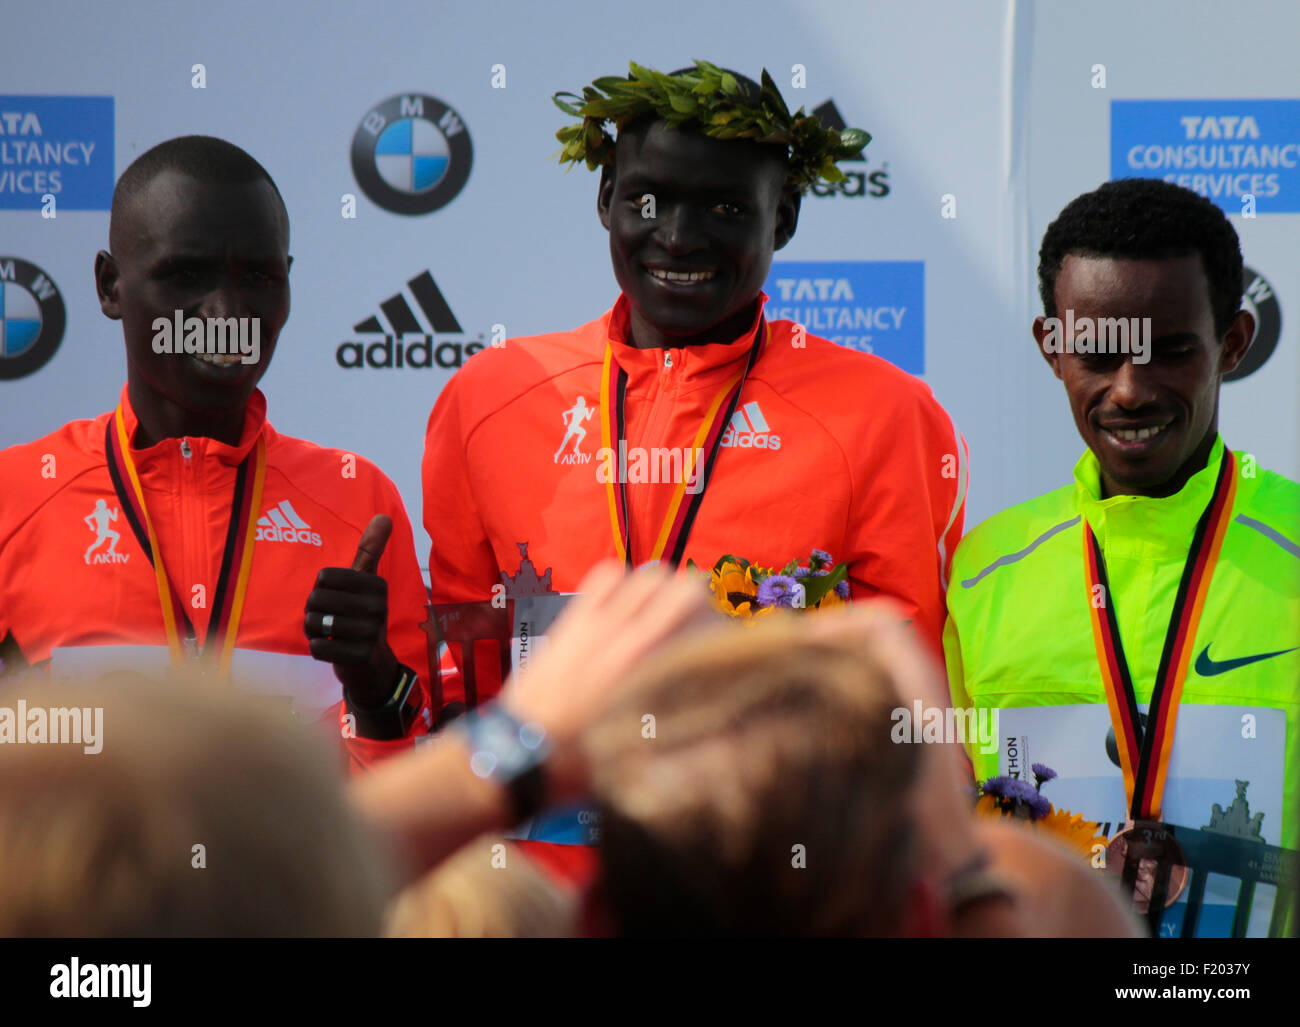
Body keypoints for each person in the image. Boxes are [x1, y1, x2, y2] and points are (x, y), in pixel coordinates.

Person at [420, 60, 968, 723]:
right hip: (544, 826)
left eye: (726, 208)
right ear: (606, 198)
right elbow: (463, 679)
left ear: (783, 220)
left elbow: (911, 697)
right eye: (648, 200)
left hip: (772, 826)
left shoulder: (882, 412)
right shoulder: (492, 397)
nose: (678, 238)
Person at [0, 135, 431, 771]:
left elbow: (414, 795)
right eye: (186, 275)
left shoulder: (357, 502)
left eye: (258, 275)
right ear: (110, 285)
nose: (227, 313)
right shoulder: (17, 498)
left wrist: (373, 688)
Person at [944, 180, 1300, 885]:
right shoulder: (985, 567)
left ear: (1232, 343)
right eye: (1099, 354)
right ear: (1052, 348)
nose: (1130, 388)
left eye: (1169, 351)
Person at [578, 607, 1138, 937]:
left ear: (592, 917)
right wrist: (963, 865)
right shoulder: (1028, 883)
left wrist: (518, 748)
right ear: (922, 912)